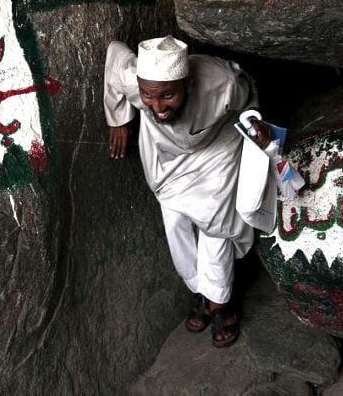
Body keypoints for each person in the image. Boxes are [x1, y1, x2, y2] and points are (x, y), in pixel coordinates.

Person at [104, 35, 269, 348]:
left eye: (167, 95)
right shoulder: (133, 79)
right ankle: (200, 290)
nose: (157, 106)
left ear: (189, 82)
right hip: (166, 159)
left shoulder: (224, 81)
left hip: (216, 151)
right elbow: (114, 53)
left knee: (216, 225)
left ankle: (219, 302)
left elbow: (248, 104)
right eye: (147, 96)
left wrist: (254, 122)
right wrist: (119, 120)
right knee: (176, 222)